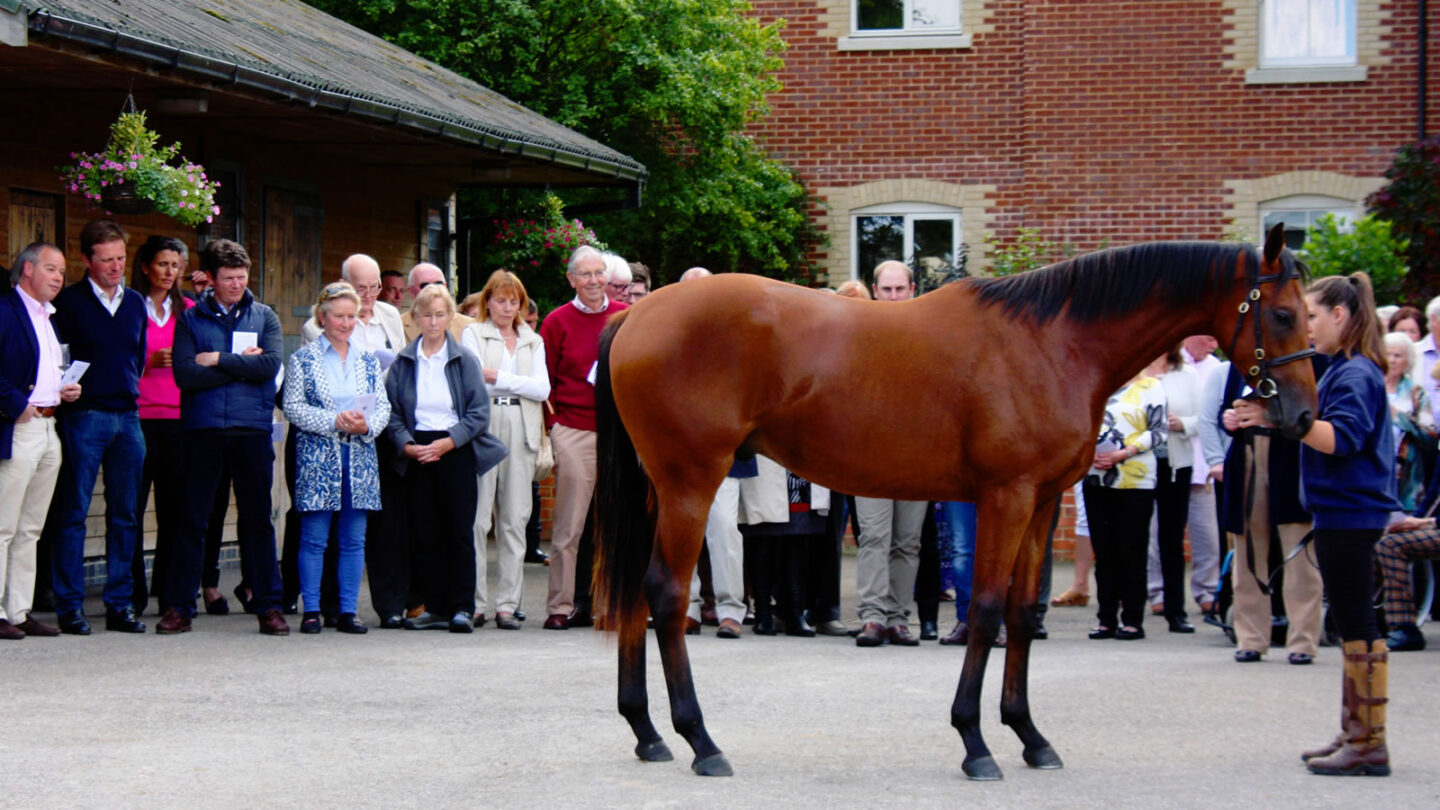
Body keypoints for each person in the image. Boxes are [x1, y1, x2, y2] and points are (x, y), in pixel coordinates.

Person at [1229, 272, 1400, 777]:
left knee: (1359, 624)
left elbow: (1339, 440)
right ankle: (1358, 732)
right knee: (1353, 622)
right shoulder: (1345, 370)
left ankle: (1368, 743)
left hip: (1351, 511)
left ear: (1341, 317)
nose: (1308, 328)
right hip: (1343, 510)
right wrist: (1269, 418)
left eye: (1313, 317)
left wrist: (1279, 420)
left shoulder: (1356, 376)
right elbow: (1319, 430)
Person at [157, 239, 289, 636]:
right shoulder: (192, 320)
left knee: (257, 520)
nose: (236, 284)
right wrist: (241, 365)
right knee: (192, 519)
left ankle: (268, 605)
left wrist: (218, 359)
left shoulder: (265, 317)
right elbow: (185, 375)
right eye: (228, 278)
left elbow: (268, 366)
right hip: (204, 429)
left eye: (242, 277)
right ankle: (179, 606)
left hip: (251, 429)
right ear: (210, 278)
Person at [386, 285, 507, 633]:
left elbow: (479, 413)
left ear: (449, 317)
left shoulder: (463, 360)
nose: (434, 321)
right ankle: (434, 606)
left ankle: (462, 607)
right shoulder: (404, 361)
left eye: (440, 314)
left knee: (458, 530)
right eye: (427, 314)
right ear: (416, 318)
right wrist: (406, 445)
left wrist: (447, 443)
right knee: (424, 532)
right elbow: (393, 412)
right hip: (417, 449)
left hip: (455, 448)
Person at [49, 219, 148, 635]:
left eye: (121, 258)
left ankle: (119, 604)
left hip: (128, 417)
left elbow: (137, 357)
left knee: (125, 515)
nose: (115, 267)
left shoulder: (135, 303)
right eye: (106, 260)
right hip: (83, 417)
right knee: (72, 512)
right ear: (87, 260)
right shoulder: (68, 303)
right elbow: (56, 358)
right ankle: (69, 606)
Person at [284, 282, 389, 635]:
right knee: (314, 537)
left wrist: (365, 425)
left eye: (352, 317)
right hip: (318, 455)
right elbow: (293, 407)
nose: (346, 323)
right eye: (339, 316)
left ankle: (347, 611)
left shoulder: (368, 360)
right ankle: (311, 609)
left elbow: (383, 407)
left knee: (353, 539)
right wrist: (333, 419)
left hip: (358, 456)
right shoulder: (303, 359)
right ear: (322, 317)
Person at [539, 245, 627, 629]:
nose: (594, 281)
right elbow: (546, 382)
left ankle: (608, 606)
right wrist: (556, 426)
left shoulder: (624, 317)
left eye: (599, 273)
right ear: (572, 279)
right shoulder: (557, 321)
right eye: (586, 274)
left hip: (618, 432)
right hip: (574, 428)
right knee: (569, 527)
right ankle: (560, 606)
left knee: (613, 525)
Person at [1218, 355, 1324, 664]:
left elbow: (1313, 411)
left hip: (1288, 457)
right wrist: (1228, 419)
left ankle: (1303, 641)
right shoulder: (1242, 363)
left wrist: (1269, 414)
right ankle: (1251, 638)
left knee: (1299, 554)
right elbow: (1225, 410)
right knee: (1247, 552)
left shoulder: (1312, 361)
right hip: (1247, 455)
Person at [0, 243, 80, 639]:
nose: (58, 278)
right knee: (3, 525)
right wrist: (18, 405)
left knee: (31, 527)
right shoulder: (5, 310)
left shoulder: (49, 317)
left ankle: (17, 610)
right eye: (51, 269)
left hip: (49, 427)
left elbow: (46, 368)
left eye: (62, 271)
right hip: (19, 425)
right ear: (27, 270)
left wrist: (62, 390)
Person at [462, 271, 550, 630]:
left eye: (514, 301)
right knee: (478, 519)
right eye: (500, 299)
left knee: (515, 519)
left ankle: (508, 604)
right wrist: (517, 384)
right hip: (484, 427)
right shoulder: (473, 333)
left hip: (522, 427)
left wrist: (497, 376)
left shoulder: (532, 340)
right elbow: (471, 382)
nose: (507, 307)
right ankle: (475, 601)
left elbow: (542, 389)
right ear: (488, 301)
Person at [853, 261, 927, 647]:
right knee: (874, 536)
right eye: (887, 289)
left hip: (918, 452)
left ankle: (899, 617)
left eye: (900, 289)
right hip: (870, 451)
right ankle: (872, 617)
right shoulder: (859, 335)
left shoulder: (929, 335)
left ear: (912, 290)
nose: (894, 296)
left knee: (907, 541)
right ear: (875, 290)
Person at [127, 236, 196, 615]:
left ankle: (169, 592)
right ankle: (132, 593)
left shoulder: (187, 309)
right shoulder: (131, 307)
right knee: (131, 508)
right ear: (145, 267)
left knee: (175, 508)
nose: (170, 272)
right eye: (163, 264)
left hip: (178, 419)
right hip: (138, 418)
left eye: (176, 265)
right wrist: (148, 361)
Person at [1083, 369, 1167, 641]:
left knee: (1132, 552)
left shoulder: (1151, 386)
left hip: (1136, 479)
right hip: (1096, 478)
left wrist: (1123, 453)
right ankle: (1105, 619)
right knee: (1104, 553)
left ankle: (1132, 620)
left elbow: (1159, 432)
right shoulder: (1096, 381)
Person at [1147, 347, 1201, 633]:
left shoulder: (1186, 374)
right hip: (1139, 464)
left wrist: (1183, 424)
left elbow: (1203, 417)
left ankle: (1176, 611)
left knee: (1171, 540)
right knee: (1132, 538)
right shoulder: (1137, 370)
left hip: (1175, 464)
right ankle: (1126, 610)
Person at [301, 254, 405, 360]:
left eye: (374, 287)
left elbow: (402, 363)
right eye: (361, 288)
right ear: (344, 284)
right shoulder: (315, 328)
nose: (368, 295)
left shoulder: (391, 314)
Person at [1383, 331, 1434, 514]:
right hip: (1372, 474)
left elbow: (1431, 437)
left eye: (1398, 355)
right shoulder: (1369, 386)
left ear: (1408, 361)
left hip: (1407, 478)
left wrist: (1400, 418)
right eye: (1388, 354)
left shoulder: (1416, 394)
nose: (1392, 360)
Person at [400, 263, 474, 342]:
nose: (433, 290)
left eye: (439, 284)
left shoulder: (470, 326)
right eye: (425, 285)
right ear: (411, 292)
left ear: (445, 287)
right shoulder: (397, 325)